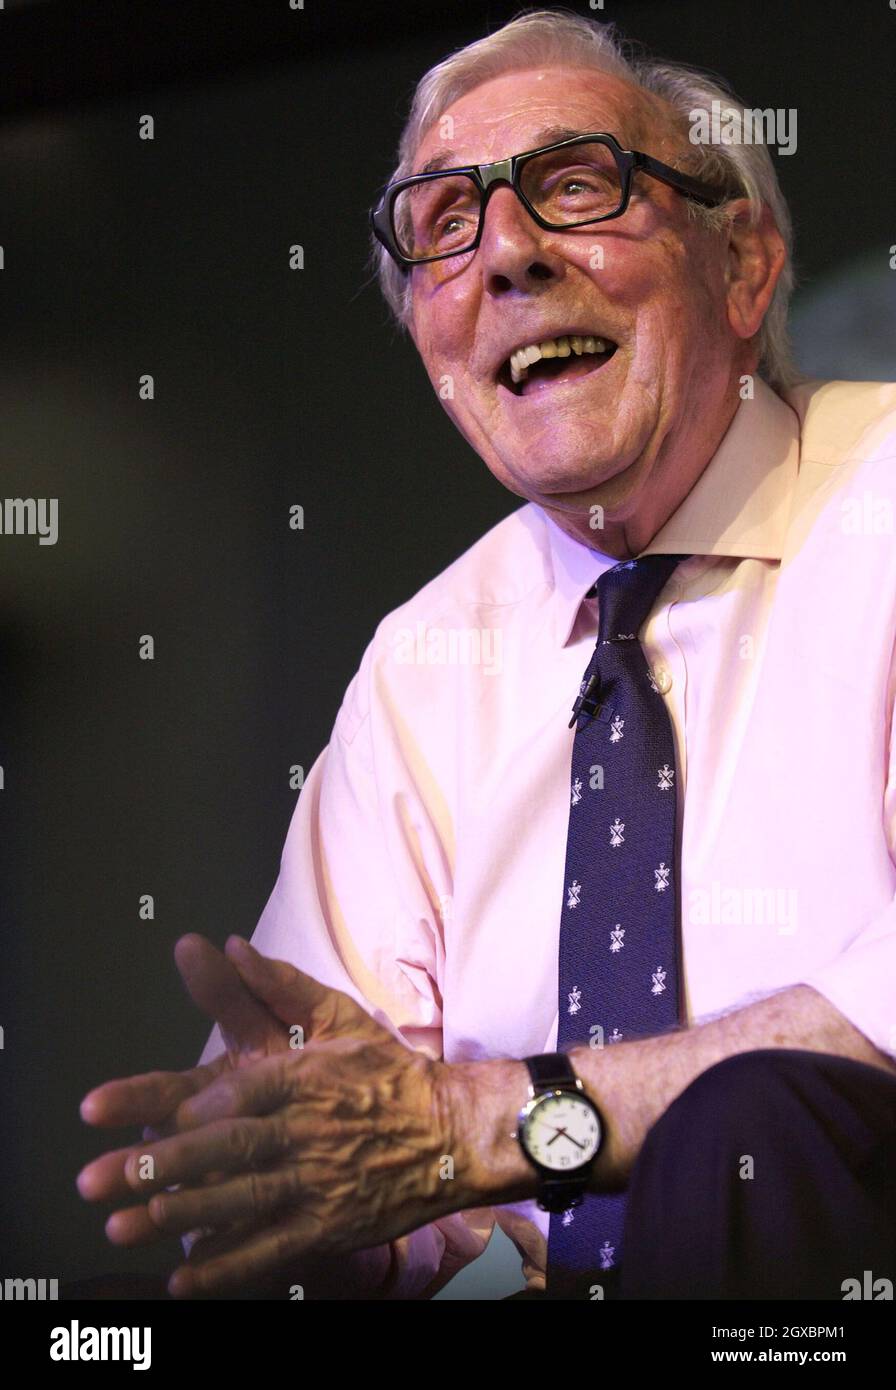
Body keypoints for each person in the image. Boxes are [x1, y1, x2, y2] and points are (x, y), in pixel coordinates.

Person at [78, 9, 896, 1300]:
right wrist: (319, 1198)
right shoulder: (418, 670)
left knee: (755, 1132)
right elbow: (347, 1164)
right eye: (445, 227)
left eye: (577, 186)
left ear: (740, 262)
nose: (507, 253)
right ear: (429, 346)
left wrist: (478, 1122)